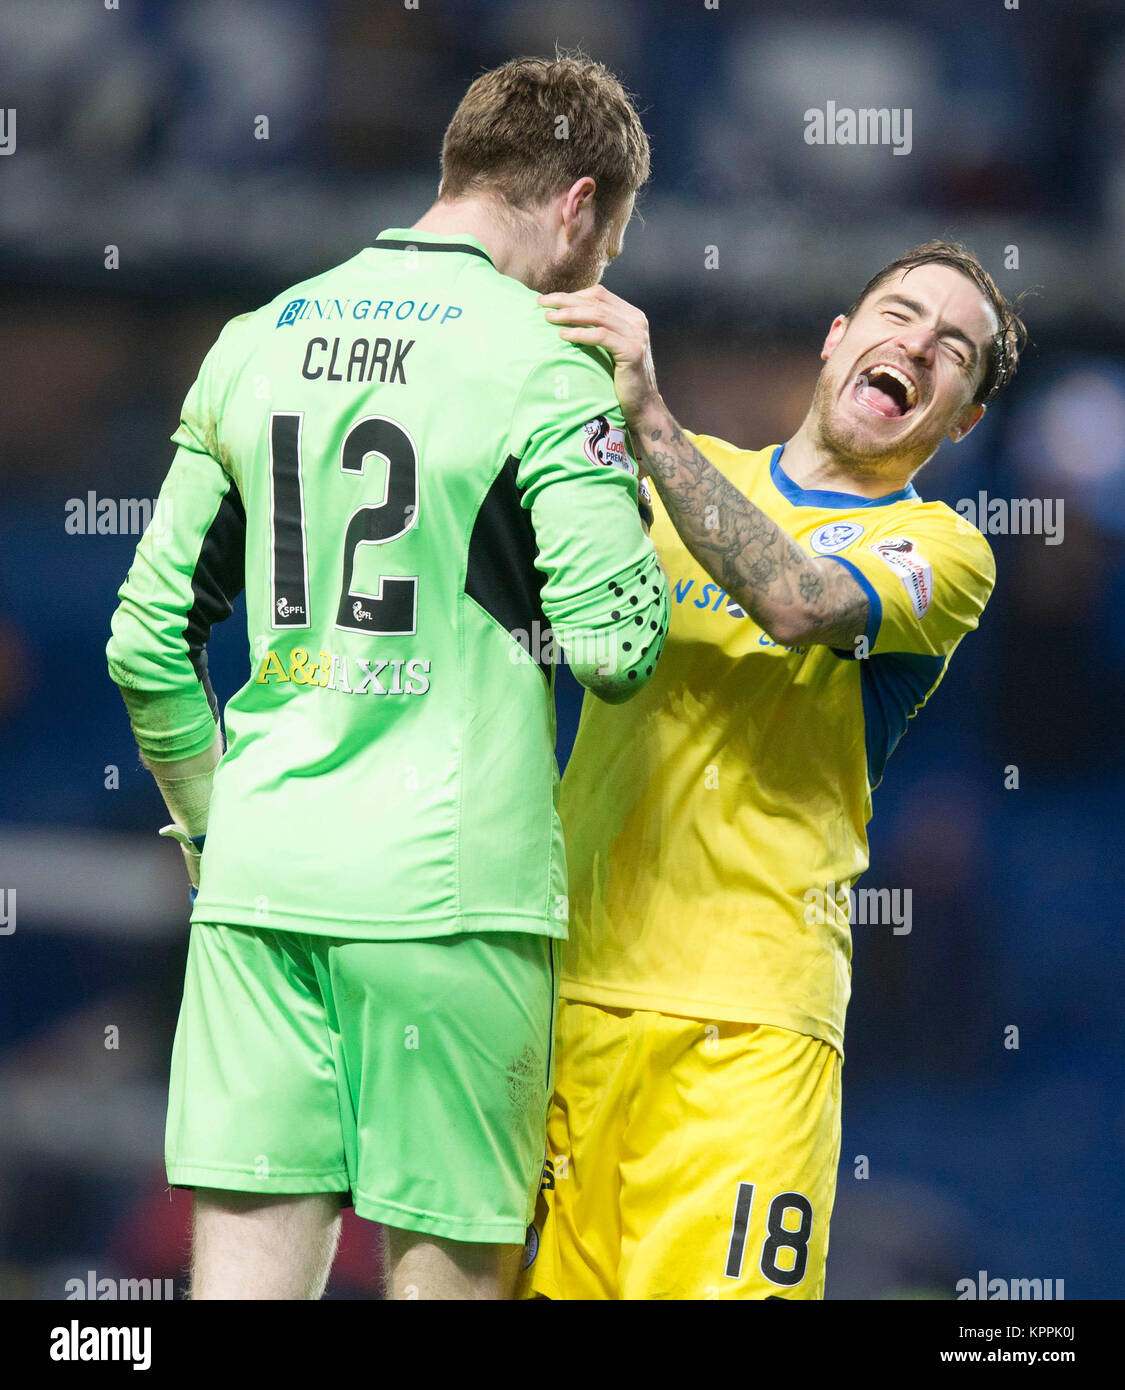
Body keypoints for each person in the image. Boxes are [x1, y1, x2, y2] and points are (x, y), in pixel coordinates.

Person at [106, 54, 668, 1302]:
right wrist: (622, 463)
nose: (601, 276)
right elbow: (620, 649)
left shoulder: (257, 339)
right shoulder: (546, 362)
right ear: (578, 204)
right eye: (610, 243)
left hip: (264, 890)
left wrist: (219, 834)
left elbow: (145, 639)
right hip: (452, 903)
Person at [522, 241, 1026, 1299]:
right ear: (839, 337)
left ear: (961, 421)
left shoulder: (942, 549)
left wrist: (646, 418)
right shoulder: (661, 483)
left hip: (749, 1030)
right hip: (564, 995)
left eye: (954, 352)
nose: (918, 347)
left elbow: (797, 600)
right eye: (898, 314)